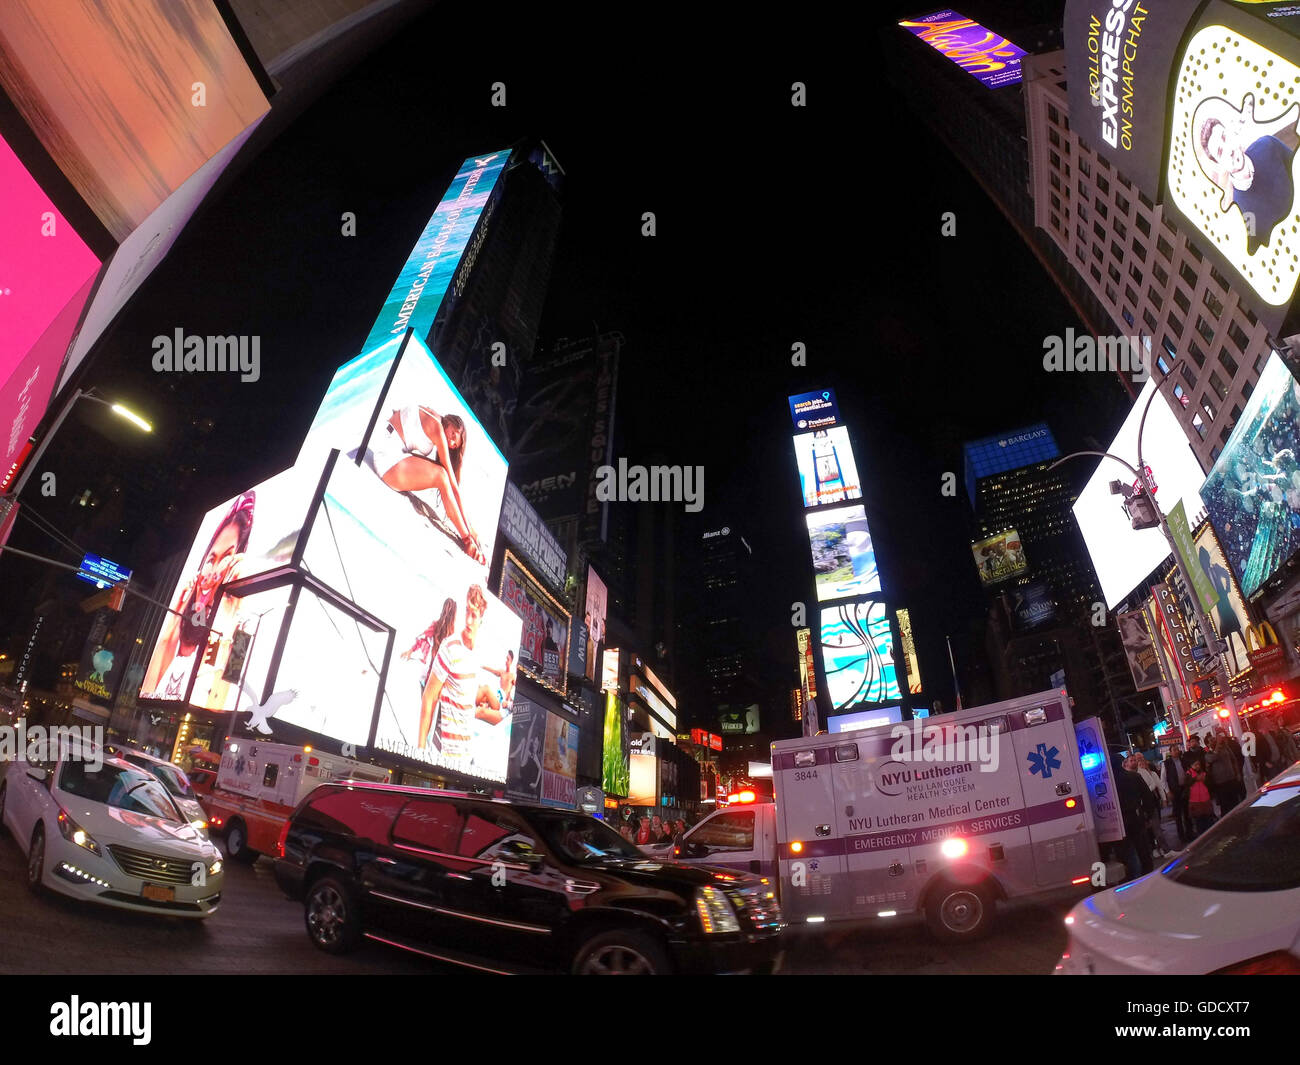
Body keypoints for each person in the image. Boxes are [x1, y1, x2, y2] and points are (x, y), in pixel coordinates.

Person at [142, 491, 255, 702]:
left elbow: (217, 702)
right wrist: (179, 608)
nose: (211, 571)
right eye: (211, 558)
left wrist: (236, 607)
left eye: (225, 557)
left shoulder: (237, 624)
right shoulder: (181, 628)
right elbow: (149, 687)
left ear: (236, 562)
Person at [373, 404, 485, 563]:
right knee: (442, 476)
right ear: (450, 422)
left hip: (390, 451)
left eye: (454, 443)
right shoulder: (437, 428)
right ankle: (467, 539)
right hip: (386, 460)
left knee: (442, 475)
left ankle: (467, 535)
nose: (451, 441)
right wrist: (470, 530)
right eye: (453, 434)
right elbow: (453, 486)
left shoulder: (434, 416)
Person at [1193, 93, 1300, 254]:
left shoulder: (1267, 144)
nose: (1228, 150)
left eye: (1224, 137)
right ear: (1219, 164)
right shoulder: (1240, 212)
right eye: (1221, 152)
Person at [417, 585, 504, 767]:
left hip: (467, 756)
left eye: (474, 615)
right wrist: (420, 751)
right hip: (445, 755)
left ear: (482, 619)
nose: (469, 620)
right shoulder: (450, 647)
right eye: (467, 612)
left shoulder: (479, 650)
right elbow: (429, 697)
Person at [1116, 757, 1160, 879]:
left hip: (1119, 822)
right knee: (1142, 847)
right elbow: (1147, 797)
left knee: (1127, 851)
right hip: (1136, 817)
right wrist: (1148, 815)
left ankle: (1132, 875)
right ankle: (1147, 874)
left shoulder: (1109, 781)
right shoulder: (1133, 777)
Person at [1162, 743, 1193, 845]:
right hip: (1175, 791)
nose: (1176, 751)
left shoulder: (1183, 760)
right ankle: (1181, 836)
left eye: (1177, 749)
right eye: (1174, 750)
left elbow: (1189, 772)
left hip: (1185, 789)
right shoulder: (1166, 763)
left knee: (1187, 812)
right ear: (1170, 752)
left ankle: (1190, 833)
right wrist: (1167, 791)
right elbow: (1163, 779)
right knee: (1178, 815)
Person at [1186, 761, 1216, 838]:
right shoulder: (1189, 773)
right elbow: (1187, 783)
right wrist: (1196, 778)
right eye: (1195, 764)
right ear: (1191, 765)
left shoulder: (1204, 773)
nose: (1197, 766)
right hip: (1195, 801)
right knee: (1199, 822)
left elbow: (1210, 783)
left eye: (1198, 764)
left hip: (1205, 800)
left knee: (1208, 820)